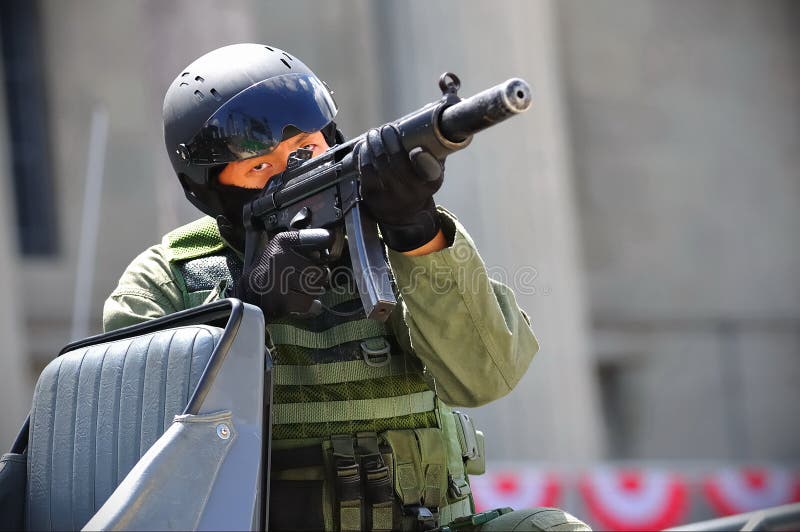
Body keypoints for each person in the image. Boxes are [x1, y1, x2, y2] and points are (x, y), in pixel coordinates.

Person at [103, 43, 590, 531]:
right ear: (210, 190)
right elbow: (136, 452)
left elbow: (485, 378)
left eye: (306, 150)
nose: (292, 171)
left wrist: (416, 231)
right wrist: (248, 309)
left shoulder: (396, 242)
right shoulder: (166, 279)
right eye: (259, 166)